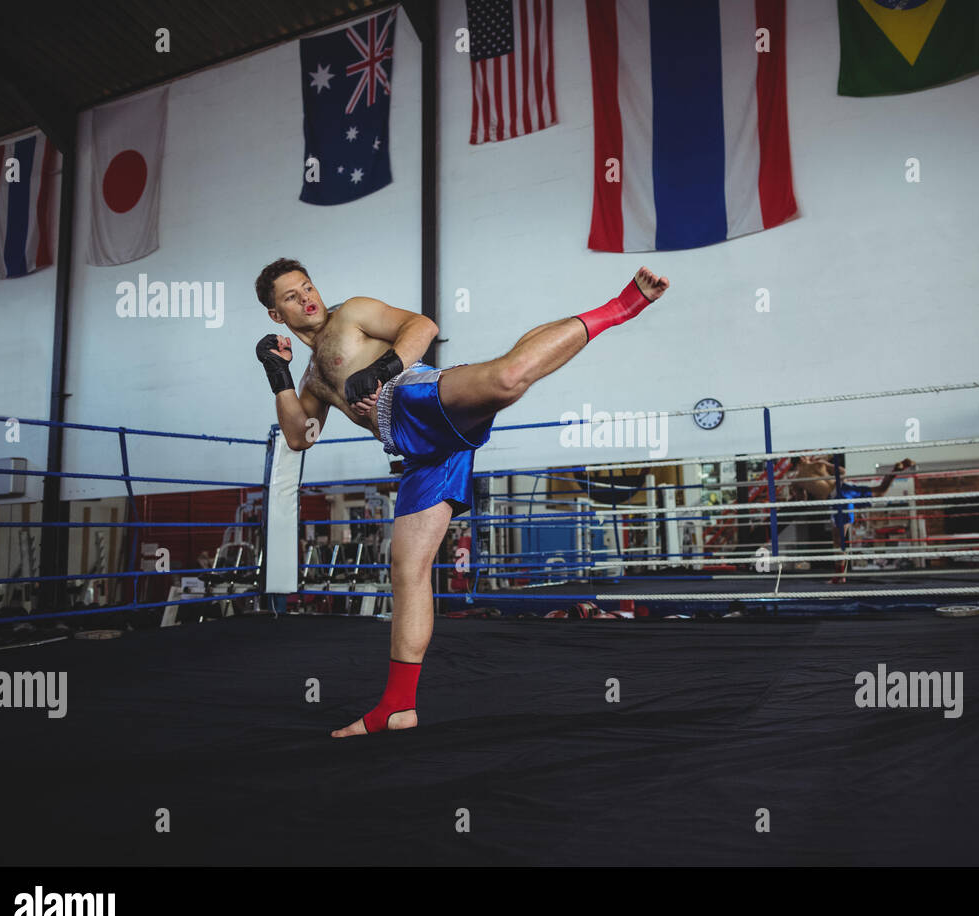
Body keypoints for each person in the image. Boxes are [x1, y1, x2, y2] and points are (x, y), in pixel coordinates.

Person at [252, 259, 670, 736]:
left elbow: (421, 326)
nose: (308, 297)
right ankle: (397, 706)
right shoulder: (310, 379)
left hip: (415, 397)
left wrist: (385, 370)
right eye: (291, 296)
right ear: (275, 315)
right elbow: (300, 435)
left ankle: (620, 307)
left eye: (308, 286)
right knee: (408, 571)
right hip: (415, 449)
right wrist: (277, 375)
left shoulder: (352, 314)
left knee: (507, 379)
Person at [789, 455, 914, 563]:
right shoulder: (819, 464)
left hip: (837, 499)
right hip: (845, 488)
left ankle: (839, 577)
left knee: (838, 540)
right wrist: (828, 470)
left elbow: (802, 500)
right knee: (880, 491)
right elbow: (843, 472)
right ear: (802, 458)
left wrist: (797, 493)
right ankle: (895, 471)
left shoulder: (797, 480)